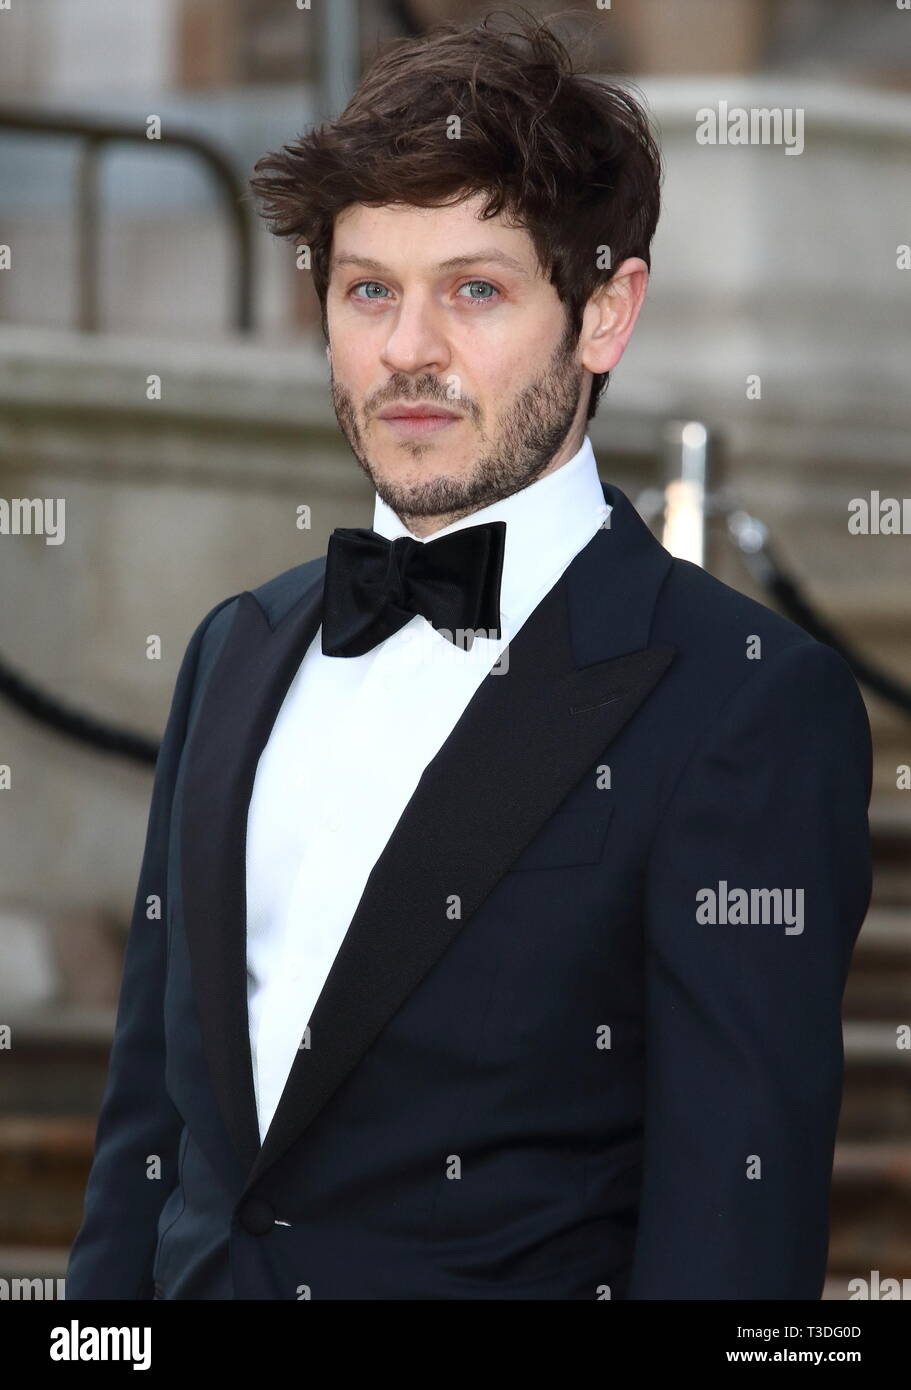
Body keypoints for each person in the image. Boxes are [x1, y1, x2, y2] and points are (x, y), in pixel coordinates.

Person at [66, 11, 872, 1301]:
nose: (408, 353)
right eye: (369, 288)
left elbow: (734, 1231)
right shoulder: (238, 648)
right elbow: (148, 1149)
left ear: (605, 315)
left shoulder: (748, 706)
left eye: (476, 290)